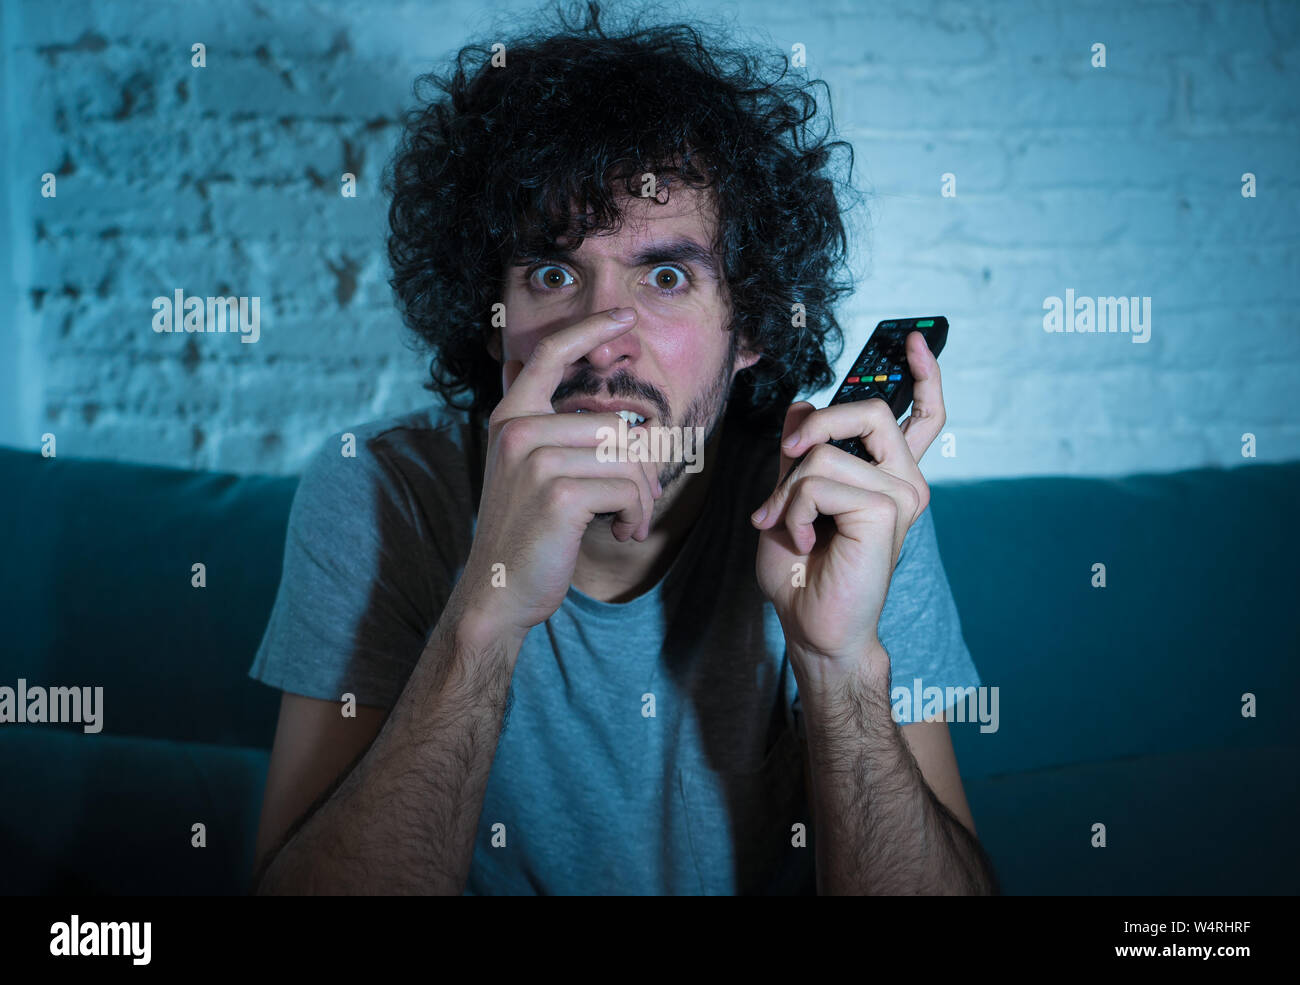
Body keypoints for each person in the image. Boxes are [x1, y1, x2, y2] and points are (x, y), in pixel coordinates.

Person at [248, 1, 997, 895]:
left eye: (668, 275)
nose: (604, 339)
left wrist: (839, 666)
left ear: (750, 322)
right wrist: (484, 618)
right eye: (554, 273)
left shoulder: (841, 504)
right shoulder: (380, 493)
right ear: (493, 322)